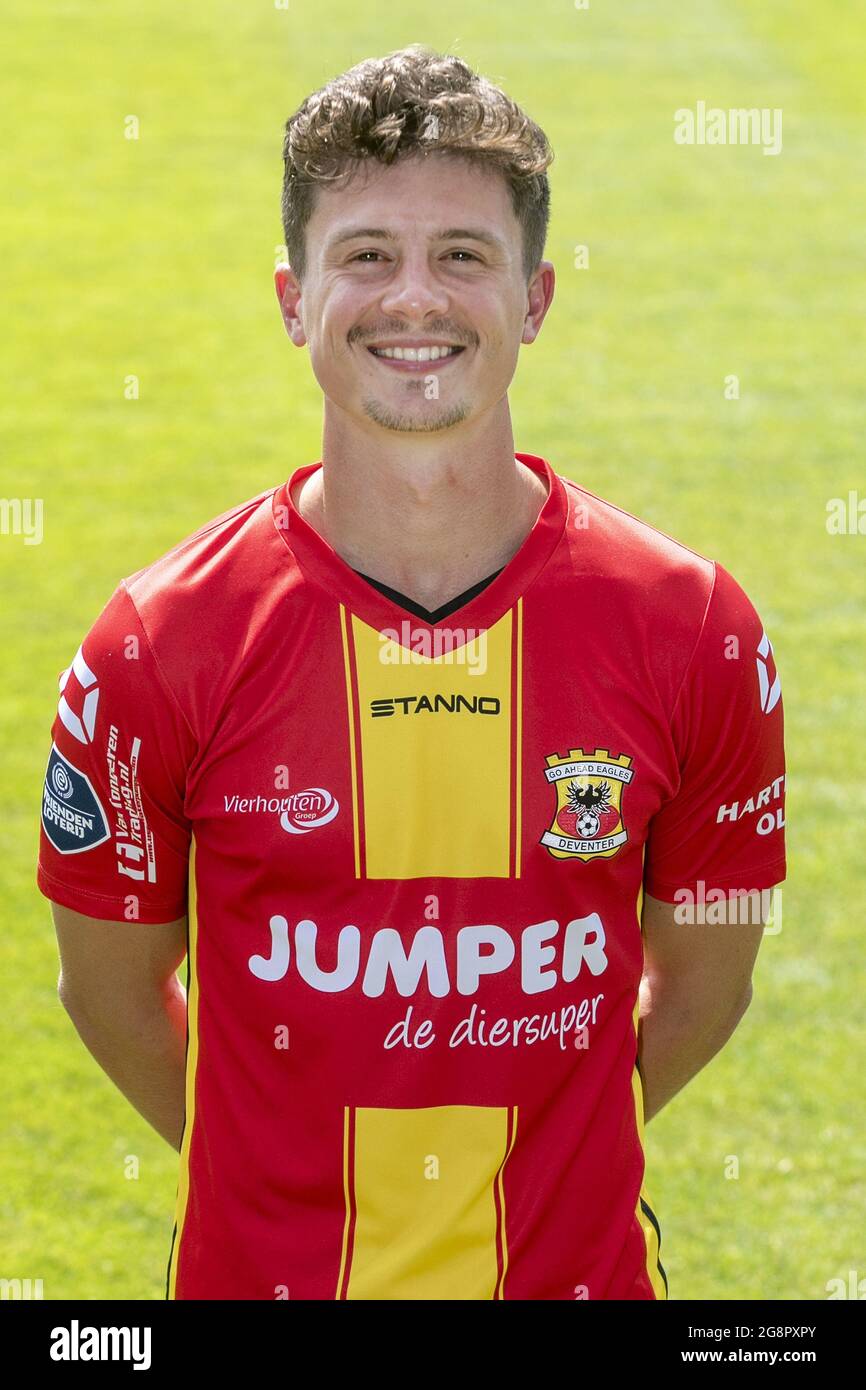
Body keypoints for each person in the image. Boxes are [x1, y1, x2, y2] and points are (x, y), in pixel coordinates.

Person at [37, 45, 786, 1301]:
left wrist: (544, 1160)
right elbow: (109, 988)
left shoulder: (694, 627)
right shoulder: (156, 643)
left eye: (463, 255)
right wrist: (272, 1169)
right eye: (368, 253)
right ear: (294, 298)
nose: (414, 298)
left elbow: (706, 979)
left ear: (534, 297)